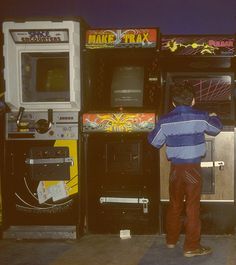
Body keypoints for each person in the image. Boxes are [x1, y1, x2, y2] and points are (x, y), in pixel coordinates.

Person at [147, 82, 222, 257]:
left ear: (173, 103)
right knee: (192, 207)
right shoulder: (201, 116)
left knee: (174, 204)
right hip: (192, 169)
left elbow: (154, 141)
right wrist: (214, 116)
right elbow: (216, 129)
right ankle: (191, 247)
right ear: (193, 101)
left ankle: (171, 240)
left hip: (175, 170)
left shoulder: (165, 120)